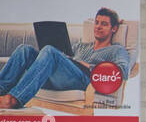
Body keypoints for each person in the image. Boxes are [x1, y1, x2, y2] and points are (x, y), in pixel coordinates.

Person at [0, 8, 132, 110]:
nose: (98, 26)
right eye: (96, 22)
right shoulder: (81, 46)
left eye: (104, 24)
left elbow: (123, 72)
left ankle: (14, 99)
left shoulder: (117, 50)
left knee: (49, 51)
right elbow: (65, 60)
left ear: (114, 28)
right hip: (60, 76)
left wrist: (89, 66)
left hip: (84, 81)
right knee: (25, 50)